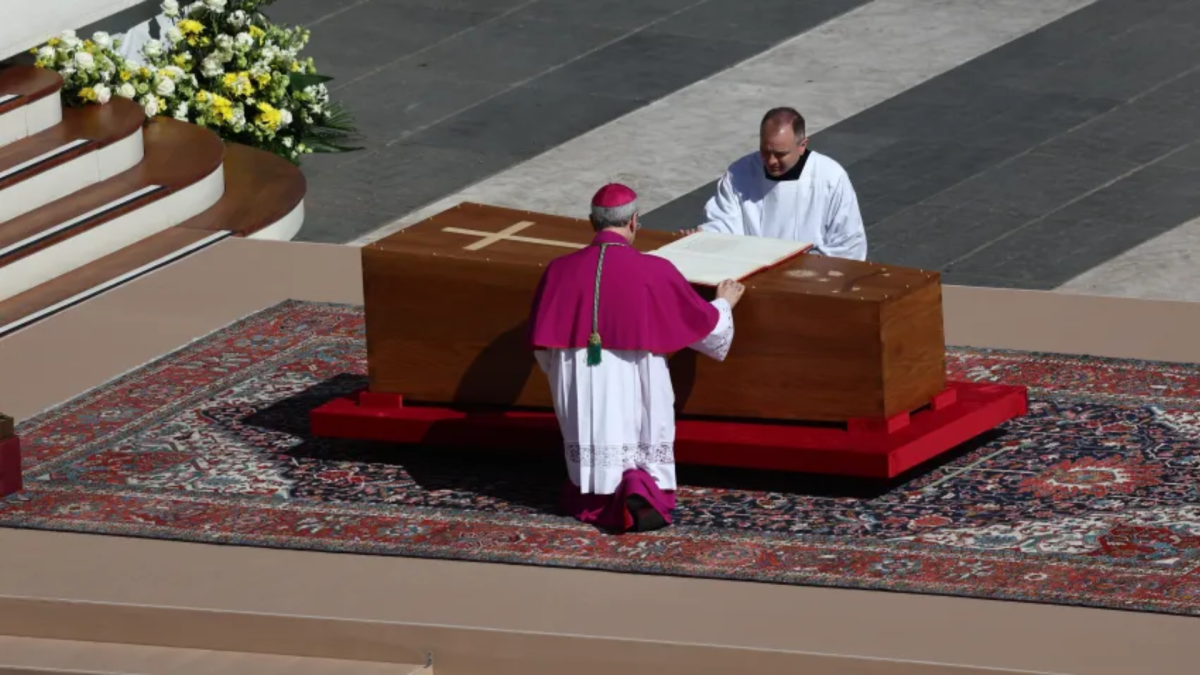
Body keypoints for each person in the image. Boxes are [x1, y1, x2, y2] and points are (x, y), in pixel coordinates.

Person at [527, 183, 744, 534]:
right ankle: (639, 489)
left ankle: (593, 494)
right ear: (634, 222)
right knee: (639, 420)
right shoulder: (655, 270)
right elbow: (705, 328)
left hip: (581, 376)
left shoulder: (558, 270)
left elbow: (542, 349)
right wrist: (723, 304)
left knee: (593, 425)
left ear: (591, 222)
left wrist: (568, 372)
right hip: (634, 375)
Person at [687, 107, 867, 260]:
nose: (771, 161)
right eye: (765, 151)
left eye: (781, 154)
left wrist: (799, 266)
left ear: (802, 145)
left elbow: (848, 242)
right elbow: (724, 222)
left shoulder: (830, 177)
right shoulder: (740, 173)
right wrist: (704, 237)